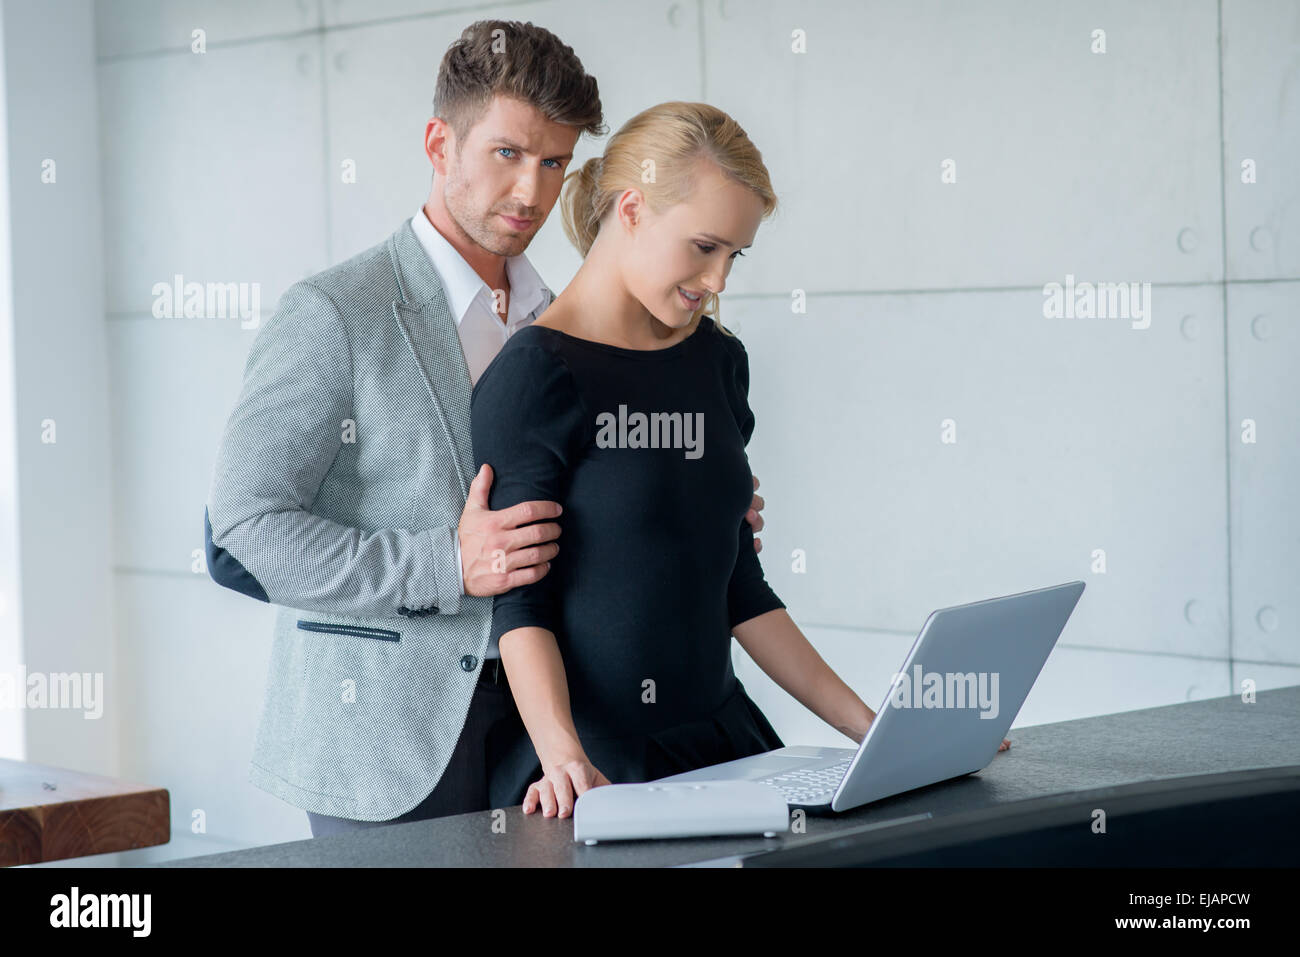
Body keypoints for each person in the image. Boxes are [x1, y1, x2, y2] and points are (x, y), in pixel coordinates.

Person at [203, 22, 770, 837]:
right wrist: (448, 562)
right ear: (440, 144)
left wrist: (692, 502)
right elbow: (245, 531)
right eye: (507, 154)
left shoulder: (569, 322)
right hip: (387, 743)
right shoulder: (334, 314)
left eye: (554, 162)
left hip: (557, 732)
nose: (532, 193)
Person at [473, 102, 976, 821]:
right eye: (704, 246)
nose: (719, 281)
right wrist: (563, 758)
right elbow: (519, 602)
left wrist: (882, 732)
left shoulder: (717, 361)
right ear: (633, 209)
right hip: (594, 768)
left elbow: (740, 585)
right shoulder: (535, 375)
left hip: (725, 745)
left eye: (733, 255)